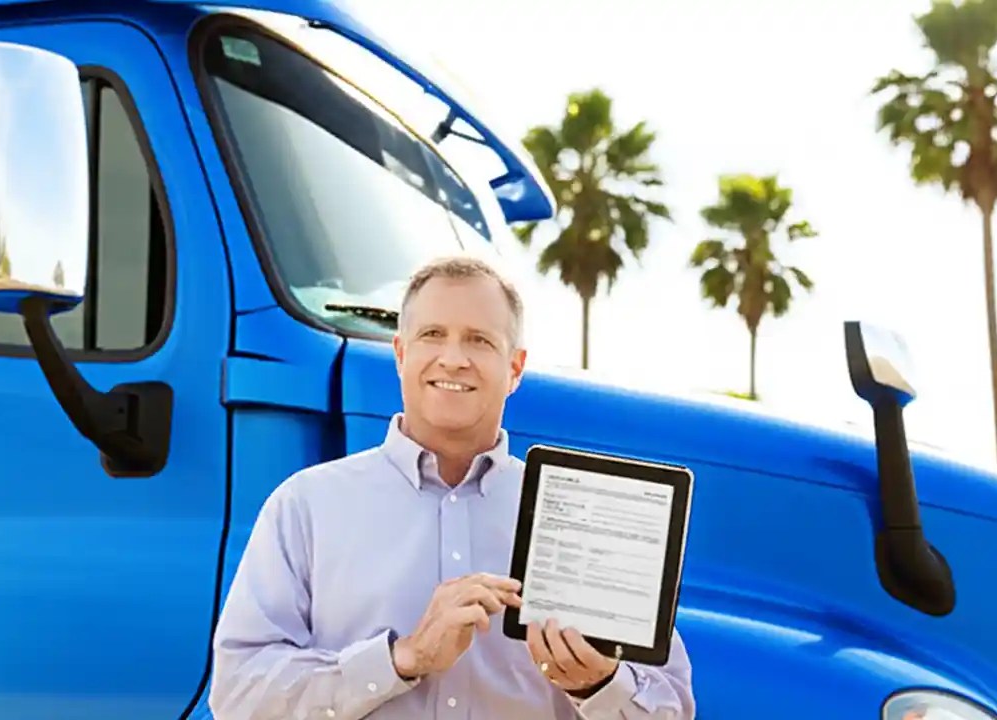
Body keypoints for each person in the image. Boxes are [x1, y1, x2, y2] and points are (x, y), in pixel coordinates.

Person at [208, 255, 695, 719]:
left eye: (480, 340)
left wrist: (600, 685)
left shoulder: (587, 518)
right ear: (401, 354)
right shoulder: (307, 505)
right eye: (432, 335)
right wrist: (402, 659)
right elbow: (239, 696)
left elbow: (671, 708)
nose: (453, 358)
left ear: (516, 368)